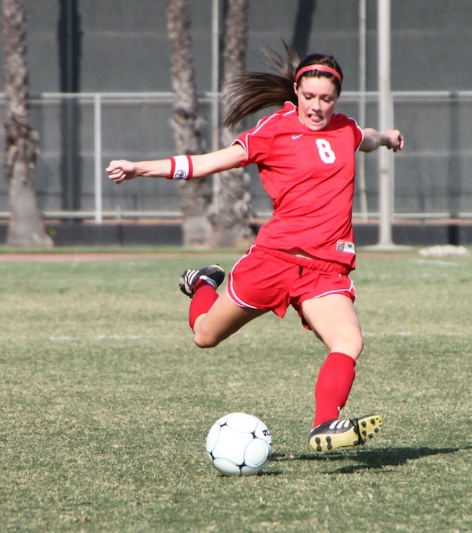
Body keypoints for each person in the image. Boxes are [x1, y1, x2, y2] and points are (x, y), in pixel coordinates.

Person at [106, 45, 404, 451]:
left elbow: (364, 138)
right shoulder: (273, 131)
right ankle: (204, 283)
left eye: (327, 99)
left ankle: (324, 426)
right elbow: (208, 163)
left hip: (325, 272)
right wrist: (142, 168)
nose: (318, 107)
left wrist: (387, 137)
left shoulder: (345, 128)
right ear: (296, 90)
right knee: (204, 336)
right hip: (273, 262)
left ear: (337, 99)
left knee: (349, 342)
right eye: (310, 97)